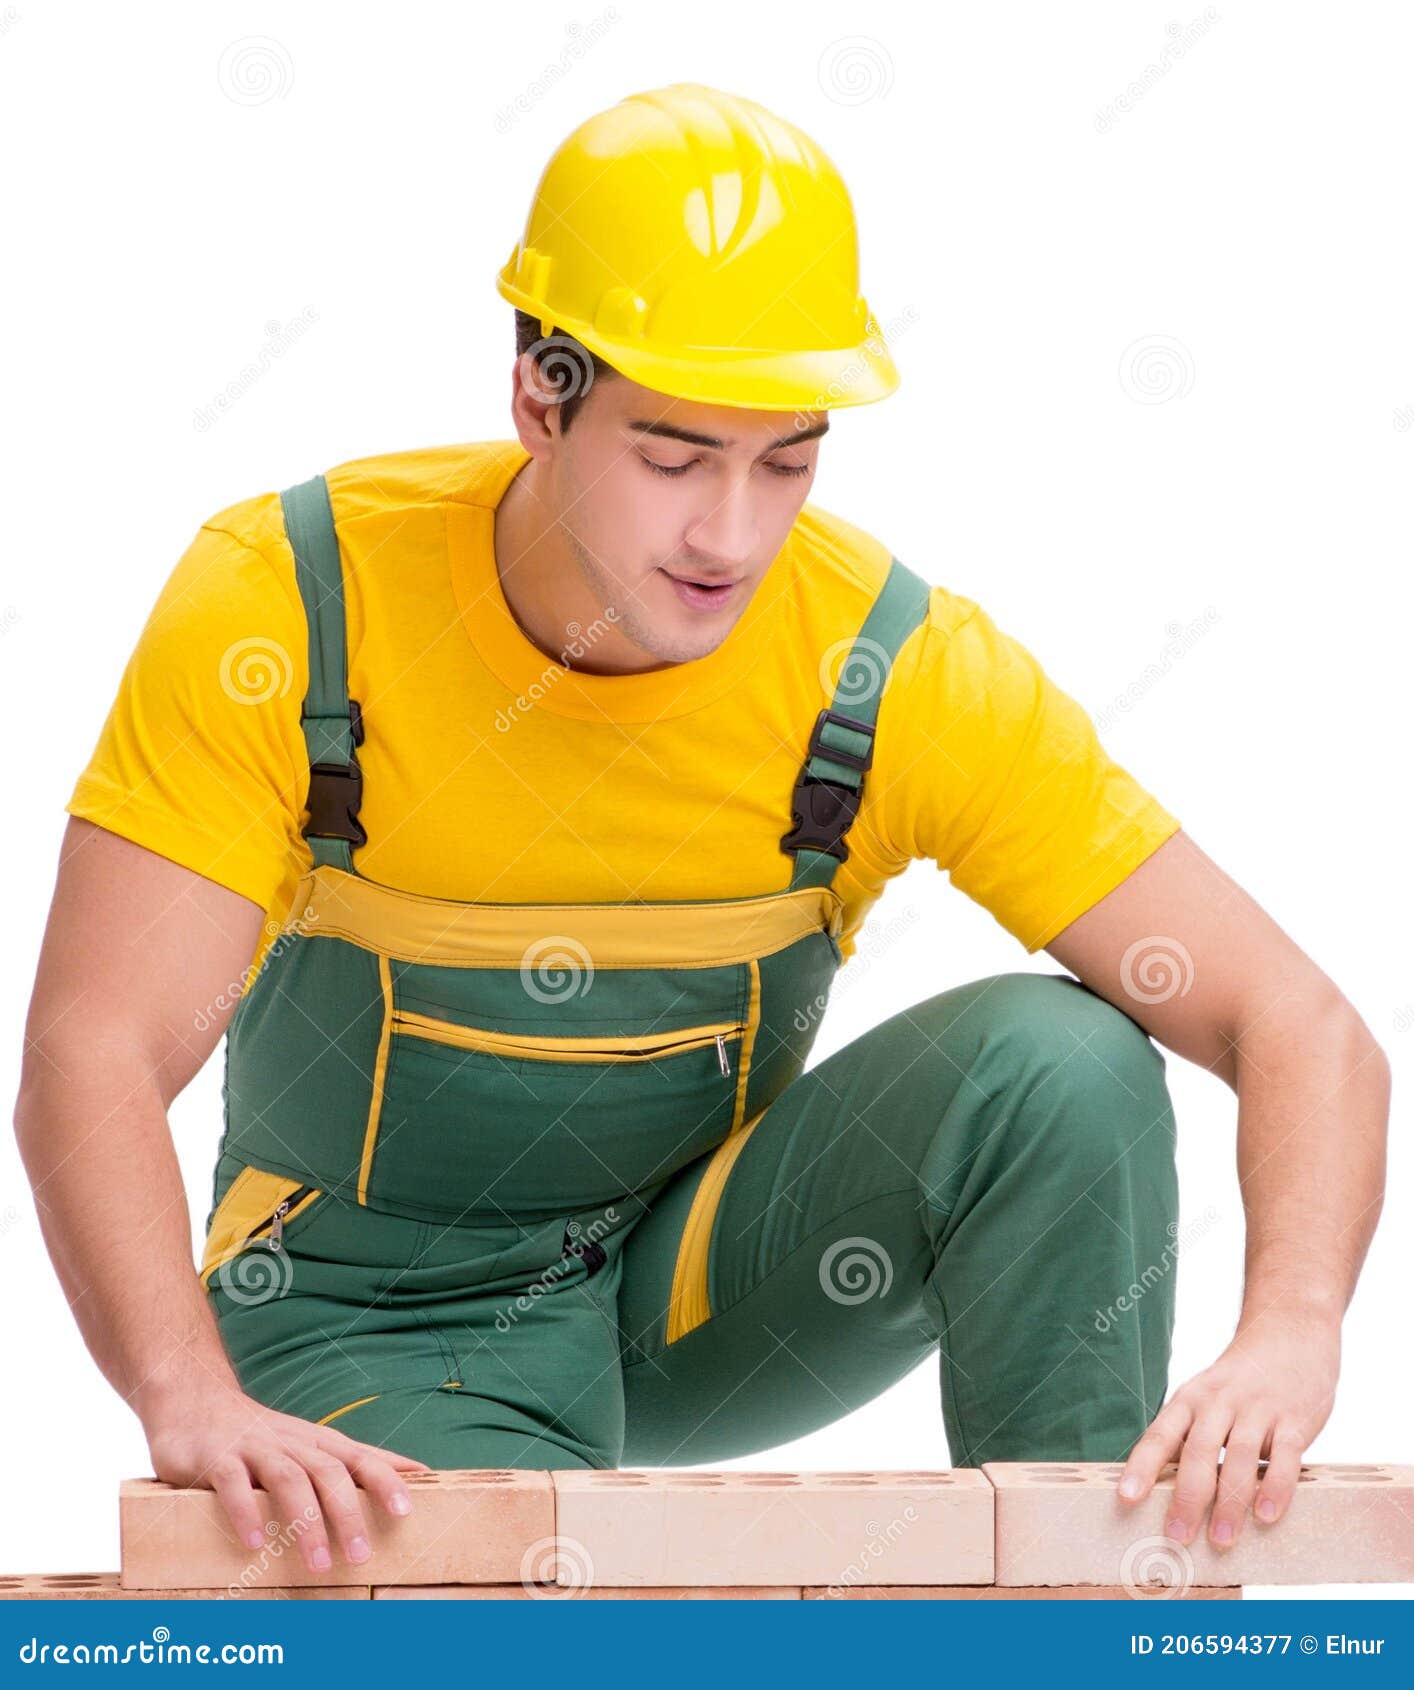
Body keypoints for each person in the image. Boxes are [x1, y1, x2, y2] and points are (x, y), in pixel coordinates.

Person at [13, 82, 1387, 1583]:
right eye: (672, 457)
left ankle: (1085, 1612)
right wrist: (186, 1394)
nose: (730, 536)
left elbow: (1297, 1022)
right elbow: (91, 1056)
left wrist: (1289, 1332)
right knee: (524, 1619)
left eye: (784, 462)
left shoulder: (884, 667)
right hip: (372, 1321)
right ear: (541, 394)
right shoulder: (291, 605)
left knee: (1057, 1064)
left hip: (686, 1285)